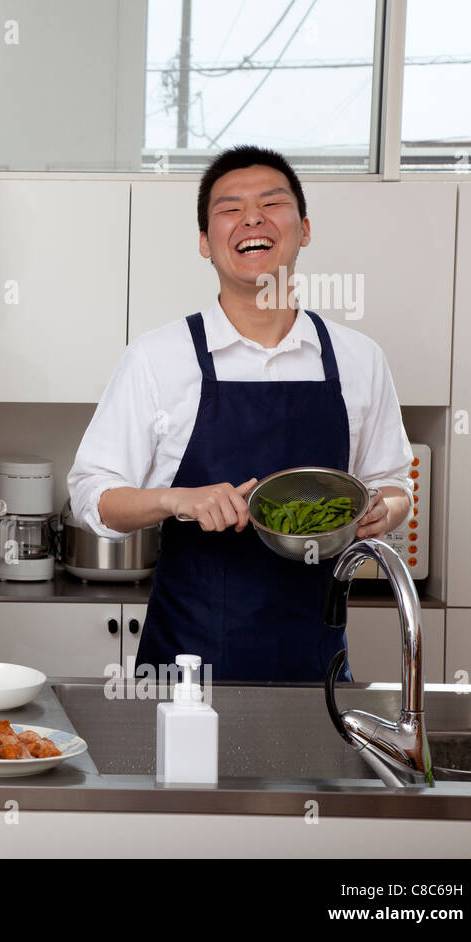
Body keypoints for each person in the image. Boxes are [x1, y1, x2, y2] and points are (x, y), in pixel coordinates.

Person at [68, 145, 413, 683]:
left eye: (271, 204)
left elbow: (395, 485)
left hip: (315, 665)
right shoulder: (157, 358)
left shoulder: (358, 359)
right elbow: (93, 496)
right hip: (184, 667)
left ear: (304, 229)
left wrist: (379, 511)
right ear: (205, 243)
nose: (252, 218)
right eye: (230, 209)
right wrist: (177, 500)